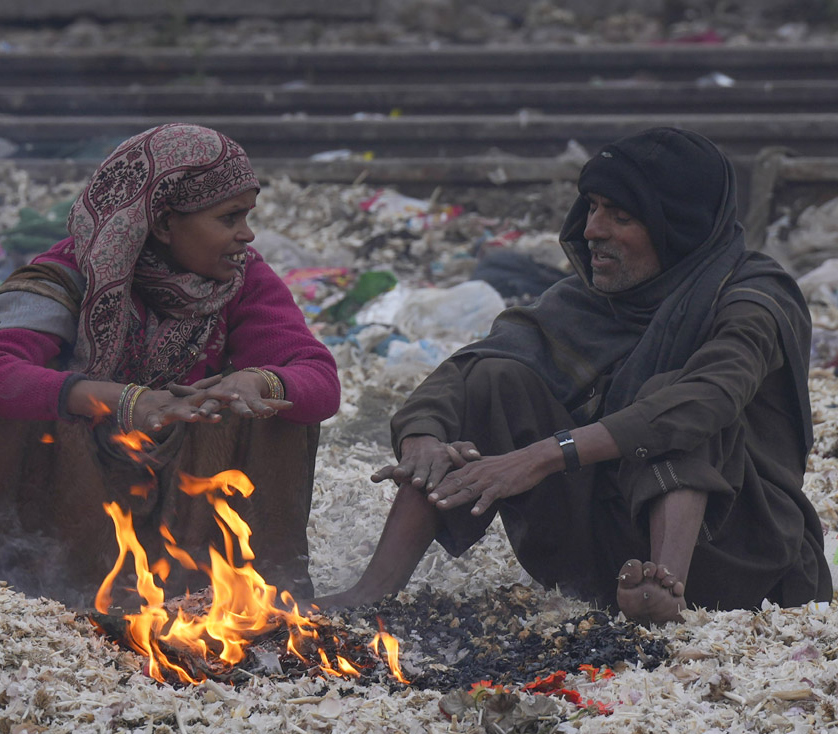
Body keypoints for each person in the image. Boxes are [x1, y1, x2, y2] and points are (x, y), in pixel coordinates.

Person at [317, 127, 832, 624]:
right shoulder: (587, 300)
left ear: (678, 229)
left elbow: (710, 395)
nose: (592, 231)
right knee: (497, 378)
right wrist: (423, 437)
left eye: (620, 216)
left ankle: (665, 592)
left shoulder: (755, 298)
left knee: (673, 405)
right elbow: (473, 366)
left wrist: (541, 456)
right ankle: (373, 590)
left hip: (738, 554)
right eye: (592, 208)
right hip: (605, 554)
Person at [0, 123, 340, 607]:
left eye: (247, 216)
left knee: (278, 407)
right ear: (161, 223)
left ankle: (236, 597)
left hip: (187, 510)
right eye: (229, 218)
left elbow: (318, 379)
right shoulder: (70, 276)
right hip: (65, 510)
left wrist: (257, 380)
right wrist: (121, 402)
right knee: (9, 403)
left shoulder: (240, 277)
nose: (246, 234)